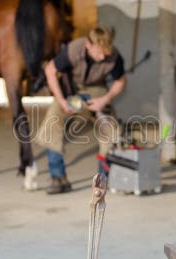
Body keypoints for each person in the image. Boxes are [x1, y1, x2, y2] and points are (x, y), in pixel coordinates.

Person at [37, 26, 126, 194]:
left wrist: (104, 100)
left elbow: (120, 81)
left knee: (110, 129)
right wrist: (62, 101)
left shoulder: (114, 56)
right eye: (98, 53)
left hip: (97, 91)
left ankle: (103, 179)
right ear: (88, 45)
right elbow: (50, 70)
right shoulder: (73, 49)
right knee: (52, 123)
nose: (102, 57)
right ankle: (58, 178)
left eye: (105, 54)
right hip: (72, 91)